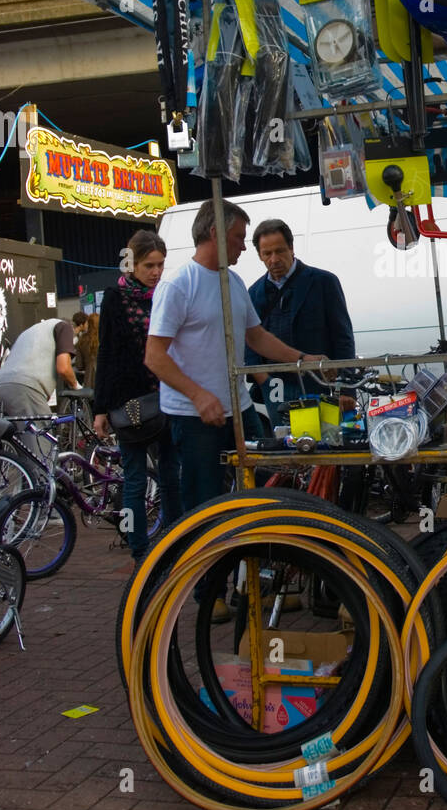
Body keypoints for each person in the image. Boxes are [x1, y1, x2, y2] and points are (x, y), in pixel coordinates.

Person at [145, 199, 322, 618]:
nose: (245, 247)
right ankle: (210, 592)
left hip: (237, 407)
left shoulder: (234, 282)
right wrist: (198, 395)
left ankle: (259, 580)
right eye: (239, 238)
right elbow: (154, 356)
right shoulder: (178, 285)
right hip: (195, 417)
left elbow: (256, 338)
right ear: (213, 235)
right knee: (204, 503)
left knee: (266, 485)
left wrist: (302, 360)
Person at [93, 230, 183, 566]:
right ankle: (140, 549)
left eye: (160, 264)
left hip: (167, 397)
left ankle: (176, 540)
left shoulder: (166, 294)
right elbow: (106, 352)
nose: (156, 272)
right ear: (132, 263)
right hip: (129, 401)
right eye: (149, 265)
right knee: (134, 478)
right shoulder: (115, 298)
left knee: (172, 475)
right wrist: (100, 408)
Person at [245, 218, 356, 429]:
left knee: (328, 449)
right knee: (289, 453)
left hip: (322, 385)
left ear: (292, 248)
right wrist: (265, 382)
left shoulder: (324, 282)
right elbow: (249, 346)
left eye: (280, 251)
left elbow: (343, 339)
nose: (274, 259)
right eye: (267, 254)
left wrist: (346, 389)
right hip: (277, 389)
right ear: (259, 255)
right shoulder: (253, 293)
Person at [0, 317, 78, 455]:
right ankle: (41, 477)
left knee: (23, 448)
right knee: (43, 448)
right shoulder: (63, 327)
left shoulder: (28, 332)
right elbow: (64, 368)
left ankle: (23, 474)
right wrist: (76, 386)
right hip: (24, 387)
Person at [74, 312, 99, 389]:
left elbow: (79, 365)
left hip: (89, 383)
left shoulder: (82, 340)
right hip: (107, 381)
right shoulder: (107, 338)